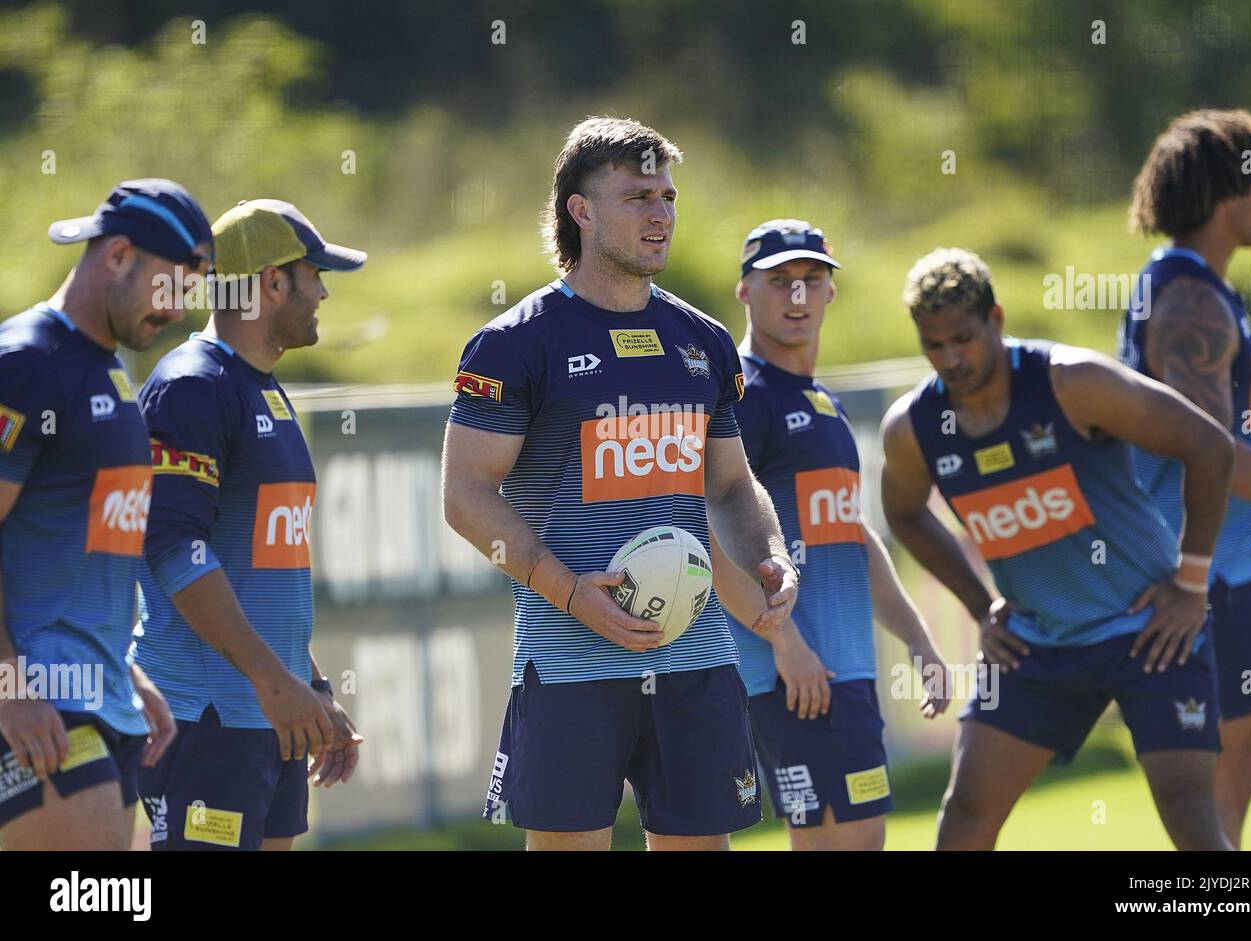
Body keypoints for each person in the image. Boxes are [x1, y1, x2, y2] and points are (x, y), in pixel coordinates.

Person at [442, 117, 800, 851]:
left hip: (696, 655)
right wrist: (570, 590)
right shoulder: (516, 342)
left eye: (668, 195)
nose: (662, 213)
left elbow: (732, 486)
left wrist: (770, 553)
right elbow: (465, 496)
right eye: (638, 196)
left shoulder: (702, 340)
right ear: (581, 209)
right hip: (570, 657)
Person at [881, 247, 1236, 850]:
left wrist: (1192, 583)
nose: (951, 359)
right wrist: (980, 608)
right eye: (933, 345)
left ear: (995, 319)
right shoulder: (913, 428)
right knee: (965, 816)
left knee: (1190, 816)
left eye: (963, 338)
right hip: (1037, 644)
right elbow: (904, 514)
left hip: (1149, 629)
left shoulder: (1072, 381)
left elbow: (1211, 447)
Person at [711, 219, 950, 851]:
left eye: (811, 280)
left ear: (830, 293)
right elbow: (708, 534)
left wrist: (919, 640)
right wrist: (785, 644)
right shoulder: (743, 393)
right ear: (743, 291)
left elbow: (852, 535)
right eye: (779, 281)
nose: (797, 297)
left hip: (844, 671)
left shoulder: (822, 402)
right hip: (794, 676)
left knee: (855, 842)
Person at [135, 199, 365, 850]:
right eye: (314, 272)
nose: (322, 290)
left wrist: (311, 686)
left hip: (271, 709)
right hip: (207, 719)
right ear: (270, 282)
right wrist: (275, 682)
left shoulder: (260, 385)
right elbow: (174, 551)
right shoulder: (193, 385)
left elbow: (260, 568)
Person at [0, 179, 210, 849]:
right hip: (41, 707)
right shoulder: (28, 362)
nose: (178, 310)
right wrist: (9, 686)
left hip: (100, 698)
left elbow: (73, 555)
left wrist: (125, 669)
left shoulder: (107, 369)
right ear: (118, 254)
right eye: (172, 285)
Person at [1120, 109, 1251, 847]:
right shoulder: (1188, 300)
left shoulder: (1197, 286)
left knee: (1240, 768)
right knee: (1235, 773)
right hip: (1218, 560)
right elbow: (1214, 456)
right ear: (1230, 192)